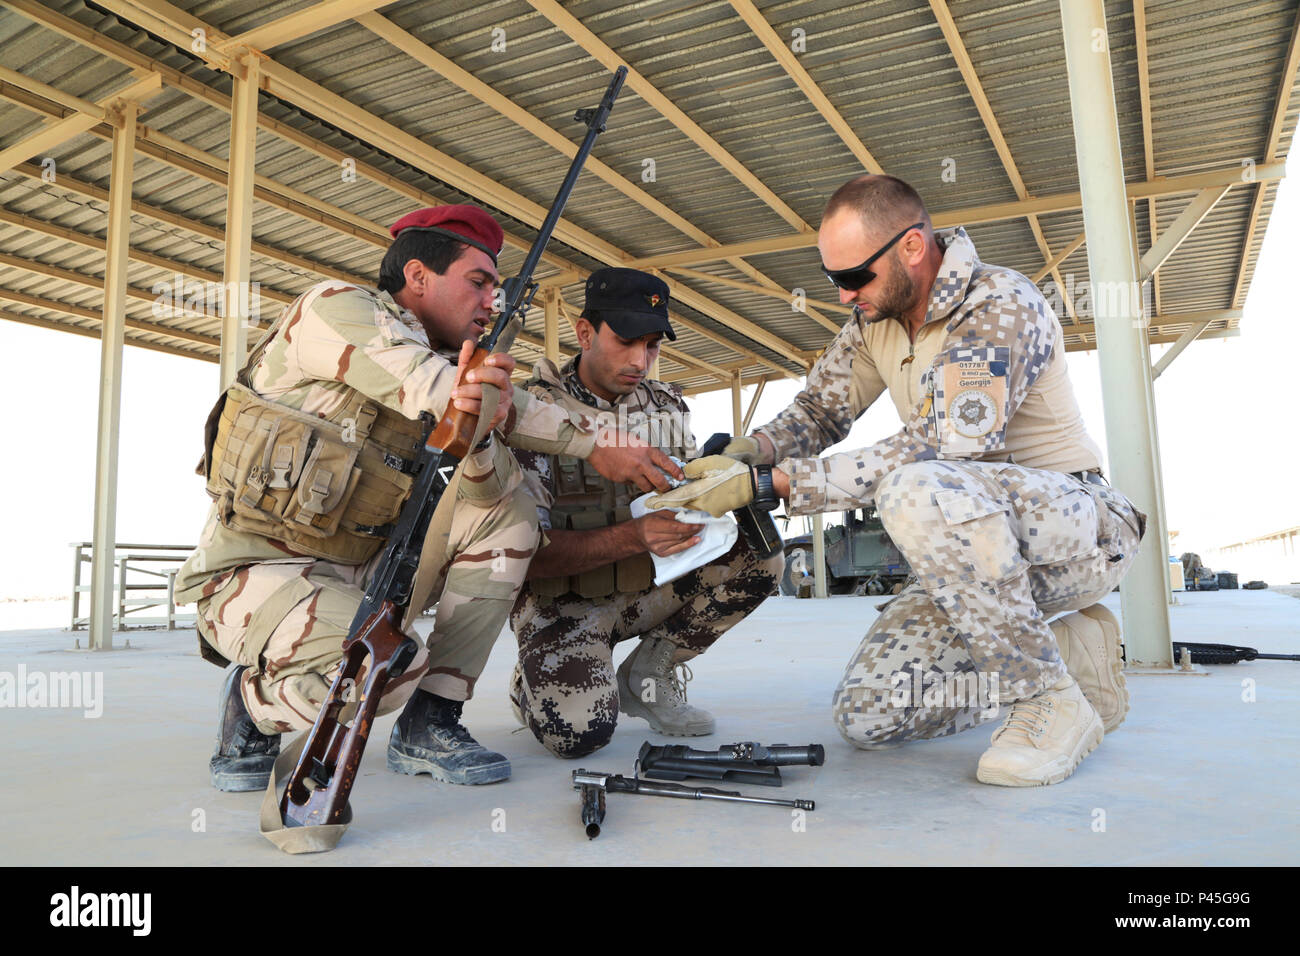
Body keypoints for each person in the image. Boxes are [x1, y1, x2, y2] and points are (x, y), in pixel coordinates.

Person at [650, 175, 1145, 787]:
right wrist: (750, 451)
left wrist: (768, 484)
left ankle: (1050, 701)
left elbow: (944, 446)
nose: (842, 295)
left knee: (916, 488)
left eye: (853, 277)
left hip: (1079, 530)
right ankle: (1067, 655)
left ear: (912, 247)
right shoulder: (873, 320)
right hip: (973, 554)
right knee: (871, 715)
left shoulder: (999, 304)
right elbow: (819, 412)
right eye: (833, 279)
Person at [175, 206, 681, 792]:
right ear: (418, 276)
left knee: (507, 513)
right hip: (259, 572)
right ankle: (252, 699)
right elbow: (440, 391)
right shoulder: (336, 309)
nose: (491, 301)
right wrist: (593, 441)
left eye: (496, 287)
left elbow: (489, 450)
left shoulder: (449, 360)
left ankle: (433, 722)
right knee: (387, 668)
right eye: (479, 282)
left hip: (365, 570)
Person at [508, 267, 782, 758]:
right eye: (627, 341)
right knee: (579, 735)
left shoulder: (668, 407)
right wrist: (636, 536)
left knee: (762, 557)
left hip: (646, 589)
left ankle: (647, 674)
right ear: (585, 332)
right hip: (562, 604)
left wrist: (723, 491)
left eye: (653, 344)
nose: (641, 360)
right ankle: (533, 678)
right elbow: (525, 556)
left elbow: (691, 505)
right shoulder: (536, 416)